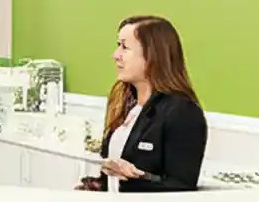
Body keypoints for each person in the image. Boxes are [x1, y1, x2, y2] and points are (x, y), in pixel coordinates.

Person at [77, 15, 208, 192]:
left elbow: (181, 185)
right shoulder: (127, 107)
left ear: (153, 55)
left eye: (125, 47)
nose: (116, 55)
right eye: (118, 46)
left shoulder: (182, 112)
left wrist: (138, 177)